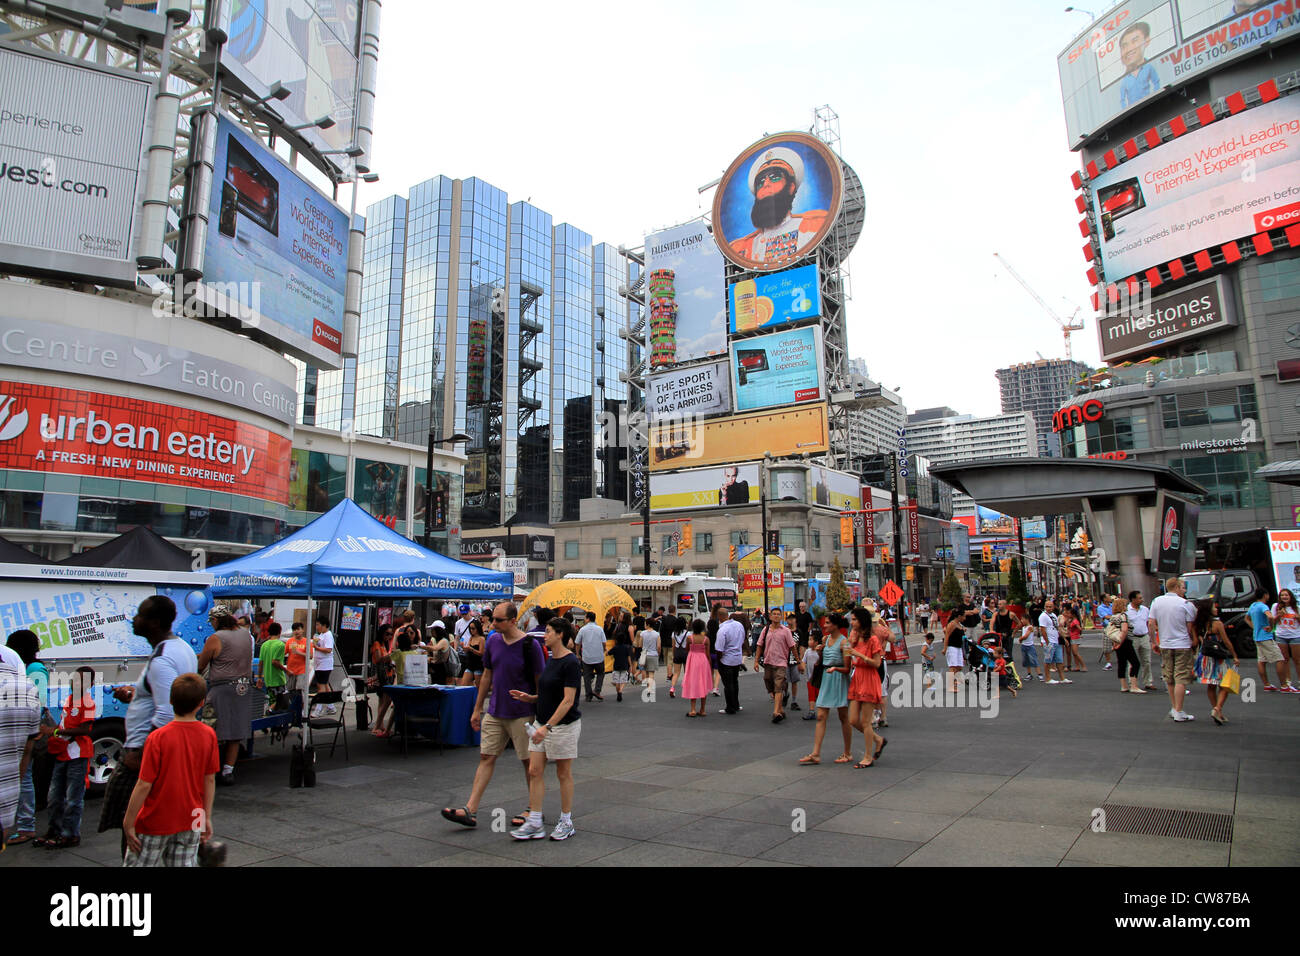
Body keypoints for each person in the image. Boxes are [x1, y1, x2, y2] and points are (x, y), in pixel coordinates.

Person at [99, 595, 198, 853]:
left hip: (146, 755)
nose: (135, 619)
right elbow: (171, 698)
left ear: (154, 623)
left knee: (136, 829)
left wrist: (142, 756)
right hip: (163, 754)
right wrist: (136, 696)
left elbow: (167, 713)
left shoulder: (163, 658)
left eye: (140, 614)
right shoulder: (181, 648)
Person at [440, 602, 545, 830]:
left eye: (498, 620)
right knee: (486, 757)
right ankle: (471, 809)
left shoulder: (530, 646)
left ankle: (533, 809)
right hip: (496, 711)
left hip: (522, 713)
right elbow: (487, 675)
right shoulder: (494, 641)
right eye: (493, 619)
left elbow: (540, 682)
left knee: (528, 763)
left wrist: (538, 710)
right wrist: (477, 708)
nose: (493, 624)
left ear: (512, 621)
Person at [122, 673, 218, 867]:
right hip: (193, 816)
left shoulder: (158, 738)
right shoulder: (208, 735)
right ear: (201, 703)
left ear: (171, 700)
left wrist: (128, 822)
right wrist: (206, 817)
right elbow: (209, 780)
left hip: (156, 818)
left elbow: (144, 784)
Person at [507, 618, 581, 841]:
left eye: (548, 632)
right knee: (534, 771)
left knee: (563, 772)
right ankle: (535, 820)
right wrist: (532, 698)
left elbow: (568, 700)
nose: (544, 635)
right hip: (541, 723)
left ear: (560, 634)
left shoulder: (570, 662)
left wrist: (548, 727)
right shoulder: (551, 659)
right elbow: (552, 693)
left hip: (562, 726)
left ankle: (566, 820)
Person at [727, 146, 832, 267]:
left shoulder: (816, 226)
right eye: (760, 182)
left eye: (774, 177)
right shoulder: (739, 248)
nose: (766, 184)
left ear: (791, 187)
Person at [197, 610, 253, 786]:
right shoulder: (246, 635)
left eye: (211, 622)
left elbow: (202, 664)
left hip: (221, 689)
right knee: (235, 732)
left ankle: (208, 769)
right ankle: (228, 771)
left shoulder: (216, 637)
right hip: (243, 688)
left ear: (215, 620)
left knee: (210, 730)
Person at [4, 629, 48, 846]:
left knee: (24, 777)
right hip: (22, 730)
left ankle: (26, 827)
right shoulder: (23, 669)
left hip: (28, 732)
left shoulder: (35, 669)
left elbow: (36, 701)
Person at [799, 613, 853, 765]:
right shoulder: (825, 639)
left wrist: (836, 668)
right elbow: (823, 659)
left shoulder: (845, 643)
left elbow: (848, 668)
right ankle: (816, 753)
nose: (825, 625)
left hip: (839, 679)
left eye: (828, 623)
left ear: (835, 625)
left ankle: (847, 752)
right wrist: (821, 651)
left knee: (843, 716)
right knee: (821, 715)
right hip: (826, 678)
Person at [1150, 577, 1199, 722]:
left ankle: (1174, 707)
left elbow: (1151, 623)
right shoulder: (1185, 604)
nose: (1184, 590)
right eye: (1183, 587)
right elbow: (1191, 626)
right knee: (1181, 678)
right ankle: (1179, 710)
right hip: (1183, 644)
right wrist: (1194, 640)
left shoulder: (1156, 601)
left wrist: (1154, 641)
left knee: (1169, 677)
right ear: (1177, 587)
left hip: (1165, 643)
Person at [847, 608, 886, 767]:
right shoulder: (855, 637)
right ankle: (878, 740)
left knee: (865, 722)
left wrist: (860, 655)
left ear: (862, 621)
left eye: (854, 619)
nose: (852, 622)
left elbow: (877, 663)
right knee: (853, 719)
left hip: (869, 678)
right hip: (858, 678)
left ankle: (868, 756)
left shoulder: (873, 640)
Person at [1192, 598, 1239, 726]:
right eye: (1214, 607)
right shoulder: (1217, 624)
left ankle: (1217, 710)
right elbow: (1227, 641)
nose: (1216, 609)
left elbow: (1195, 643)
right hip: (1218, 658)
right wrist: (1234, 655)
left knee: (1211, 685)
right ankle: (1217, 709)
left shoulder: (1197, 624)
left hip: (1204, 658)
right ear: (1209, 609)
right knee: (1225, 685)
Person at [756, 606, 796, 723]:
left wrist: (798, 661)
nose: (776, 616)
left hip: (781, 662)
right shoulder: (766, 630)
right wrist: (756, 660)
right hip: (768, 661)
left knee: (778, 686)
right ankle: (781, 709)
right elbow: (759, 645)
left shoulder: (786, 631)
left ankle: (776, 712)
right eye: (774, 614)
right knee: (768, 682)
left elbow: (792, 646)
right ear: (770, 616)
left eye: (779, 614)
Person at [1248, 589, 1289, 692]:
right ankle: (1284, 686)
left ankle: (1266, 684)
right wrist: (1271, 627)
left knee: (1261, 661)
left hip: (1257, 636)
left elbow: (1246, 618)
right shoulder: (1263, 606)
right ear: (1265, 595)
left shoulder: (1253, 605)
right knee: (1280, 659)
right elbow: (1270, 617)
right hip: (1266, 637)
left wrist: (1255, 627)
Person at [1118, 21, 1160, 110]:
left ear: (1147, 41)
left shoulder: (1148, 67)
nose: (1130, 49)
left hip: (1150, 106)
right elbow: (1122, 99)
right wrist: (1126, 110)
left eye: (1134, 41)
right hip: (1134, 111)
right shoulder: (1125, 79)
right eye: (1125, 46)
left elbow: (1156, 82)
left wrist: (1154, 98)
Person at [1107, 603, 1145, 694]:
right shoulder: (1123, 616)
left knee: (1121, 663)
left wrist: (1116, 642)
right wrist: (1121, 641)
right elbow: (1124, 630)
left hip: (1115, 640)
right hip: (1125, 641)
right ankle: (1134, 685)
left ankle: (1123, 685)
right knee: (1135, 663)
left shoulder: (1113, 617)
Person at [1125, 590, 1156, 691]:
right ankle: (1132, 682)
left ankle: (1148, 682)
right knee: (1132, 662)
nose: (1142, 600)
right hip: (1132, 637)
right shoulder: (1127, 610)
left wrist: (1152, 637)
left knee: (1147, 661)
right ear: (1133, 599)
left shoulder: (1145, 609)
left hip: (1144, 636)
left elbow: (1148, 622)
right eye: (1139, 598)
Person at [715, 611, 746, 715]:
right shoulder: (739, 625)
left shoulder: (722, 629)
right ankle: (736, 704)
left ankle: (730, 707)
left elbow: (719, 648)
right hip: (737, 657)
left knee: (728, 685)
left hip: (726, 659)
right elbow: (742, 639)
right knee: (734, 681)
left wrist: (719, 660)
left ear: (719, 617)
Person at [681, 620, 713, 718]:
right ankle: (702, 709)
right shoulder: (706, 639)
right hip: (703, 660)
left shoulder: (690, 638)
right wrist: (710, 666)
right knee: (703, 683)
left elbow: (687, 649)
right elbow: (708, 654)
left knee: (693, 683)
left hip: (693, 660)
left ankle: (693, 709)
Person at [1271, 589, 1300, 693]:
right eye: (1282, 595)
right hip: (1281, 635)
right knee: (1284, 659)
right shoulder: (1276, 606)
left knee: (1297, 660)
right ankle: (1288, 682)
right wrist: (1279, 615)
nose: (1284, 597)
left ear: (1290, 596)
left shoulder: (1296, 608)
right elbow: (1272, 622)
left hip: (1295, 635)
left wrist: (1298, 617)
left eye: (1286, 595)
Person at [573, 612, 606, 702]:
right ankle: (597, 690)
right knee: (600, 673)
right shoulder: (600, 629)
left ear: (587, 619)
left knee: (587, 676)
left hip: (587, 657)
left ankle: (588, 695)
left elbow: (577, 643)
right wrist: (604, 649)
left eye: (585, 617)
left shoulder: (583, 629)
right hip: (598, 656)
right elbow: (604, 642)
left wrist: (577, 654)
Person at [257, 622, 288, 710]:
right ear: (280, 632)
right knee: (279, 702)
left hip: (268, 679)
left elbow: (260, 663)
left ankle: (270, 716)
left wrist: (259, 677)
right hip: (278, 679)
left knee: (272, 700)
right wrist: (287, 671)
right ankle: (269, 713)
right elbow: (275, 662)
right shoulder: (280, 645)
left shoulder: (264, 645)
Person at [1040, 599, 1070, 685]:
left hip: (1056, 640)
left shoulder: (1054, 615)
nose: (1049, 608)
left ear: (1053, 607)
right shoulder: (1043, 616)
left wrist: (1063, 638)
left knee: (1059, 660)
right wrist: (1047, 641)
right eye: (1047, 607)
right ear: (1045, 607)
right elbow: (1043, 630)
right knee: (1048, 660)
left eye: (1050, 606)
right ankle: (1048, 678)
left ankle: (1062, 678)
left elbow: (1057, 628)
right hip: (1049, 641)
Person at [310, 618, 335, 713]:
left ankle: (318, 709)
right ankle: (331, 706)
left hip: (325, 664)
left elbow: (329, 649)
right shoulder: (321, 635)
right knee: (325, 685)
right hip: (319, 663)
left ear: (324, 625)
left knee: (321, 686)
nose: (317, 627)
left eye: (318, 625)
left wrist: (317, 647)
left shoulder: (328, 635)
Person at [943, 608, 967, 693]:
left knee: (959, 667)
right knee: (952, 667)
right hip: (952, 647)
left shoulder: (959, 624)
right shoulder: (952, 624)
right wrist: (945, 648)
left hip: (959, 647)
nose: (965, 618)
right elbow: (947, 636)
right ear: (959, 616)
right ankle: (951, 686)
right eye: (964, 616)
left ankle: (955, 683)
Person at [459, 619, 487, 687]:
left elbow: (481, 653)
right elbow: (467, 650)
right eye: (470, 628)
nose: (471, 630)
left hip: (478, 664)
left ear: (477, 628)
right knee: (463, 685)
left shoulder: (481, 639)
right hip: (470, 664)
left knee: (479, 686)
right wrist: (463, 647)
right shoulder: (471, 637)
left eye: (473, 628)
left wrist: (471, 649)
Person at [609, 626, 634, 702]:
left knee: (617, 681)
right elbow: (628, 657)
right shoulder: (626, 647)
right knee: (623, 681)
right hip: (624, 665)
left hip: (616, 666)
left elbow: (608, 653)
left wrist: (607, 650)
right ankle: (620, 690)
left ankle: (618, 691)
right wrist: (630, 666)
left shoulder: (615, 647)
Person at [639, 616, 661, 696]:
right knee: (651, 673)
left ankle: (648, 687)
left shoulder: (643, 633)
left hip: (644, 654)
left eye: (645, 624)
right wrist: (658, 653)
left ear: (648, 624)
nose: (644, 625)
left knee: (646, 672)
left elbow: (640, 644)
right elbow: (658, 646)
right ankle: (649, 689)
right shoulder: (657, 634)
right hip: (653, 654)